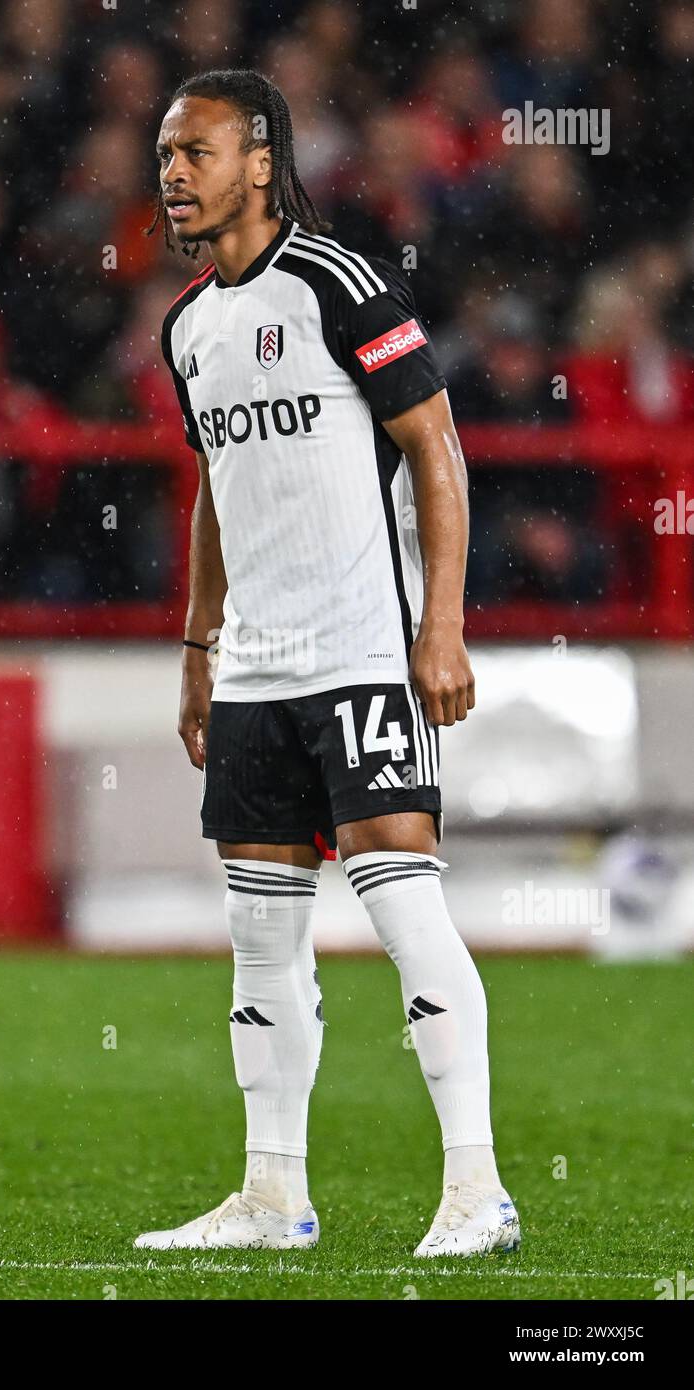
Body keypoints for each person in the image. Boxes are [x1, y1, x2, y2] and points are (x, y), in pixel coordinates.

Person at [134, 67, 520, 1258]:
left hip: (359, 654)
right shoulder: (187, 324)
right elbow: (212, 494)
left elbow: (436, 447)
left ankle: (475, 1192)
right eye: (162, 157)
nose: (173, 175)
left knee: (403, 910)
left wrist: (439, 626)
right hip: (252, 671)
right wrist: (199, 649)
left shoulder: (338, 284)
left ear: (258, 159)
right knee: (261, 937)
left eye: (193, 152)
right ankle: (270, 1195)